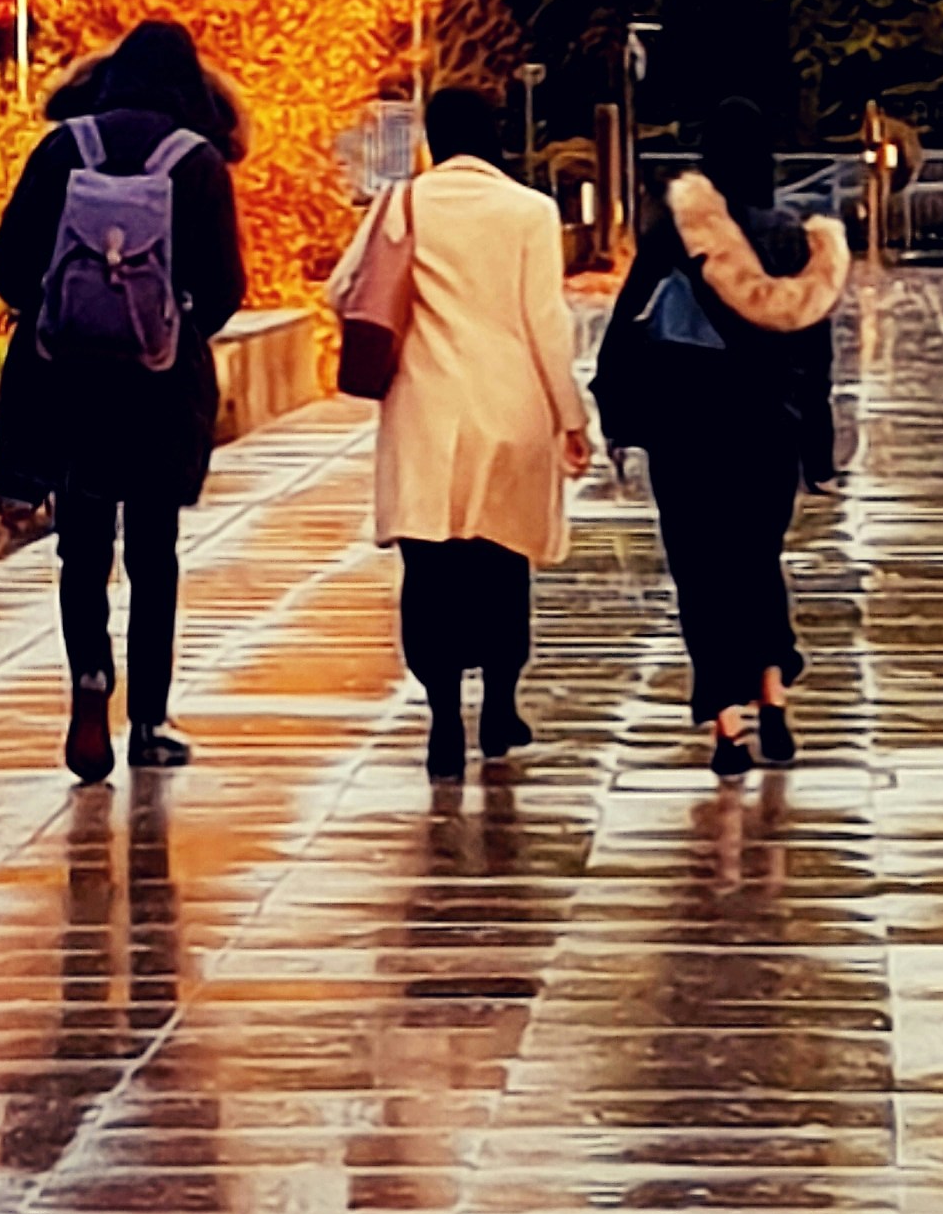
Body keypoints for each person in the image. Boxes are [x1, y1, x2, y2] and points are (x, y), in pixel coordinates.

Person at [0, 18, 249, 786]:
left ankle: (90, 679)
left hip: (69, 381)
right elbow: (224, 289)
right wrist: (171, 328)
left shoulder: (63, 149)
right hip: (158, 388)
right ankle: (150, 720)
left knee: (81, 546)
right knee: (154, 553)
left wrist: (60, 314)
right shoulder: (195, 161)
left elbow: (7, 265)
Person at [329, 85, 591, 783]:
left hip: (425, 409)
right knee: (502, 563)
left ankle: (443, 717)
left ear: (433, 139)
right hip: (511, 409)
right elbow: (547, 321)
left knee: (430, 570)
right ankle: (500, 708)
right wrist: (571, 417)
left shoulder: (402, 205)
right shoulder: (530, 211)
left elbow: (343, 289)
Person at [594, 96, 849, 779]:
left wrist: (615, 415)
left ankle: (728, 728)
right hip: (768, 430)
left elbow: (626, 324)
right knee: (756, 560)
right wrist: (818, 451)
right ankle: (773, 694)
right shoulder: (794, 241)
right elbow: (816, 357)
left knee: (702, 571)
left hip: (687, 428)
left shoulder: (676, 235)